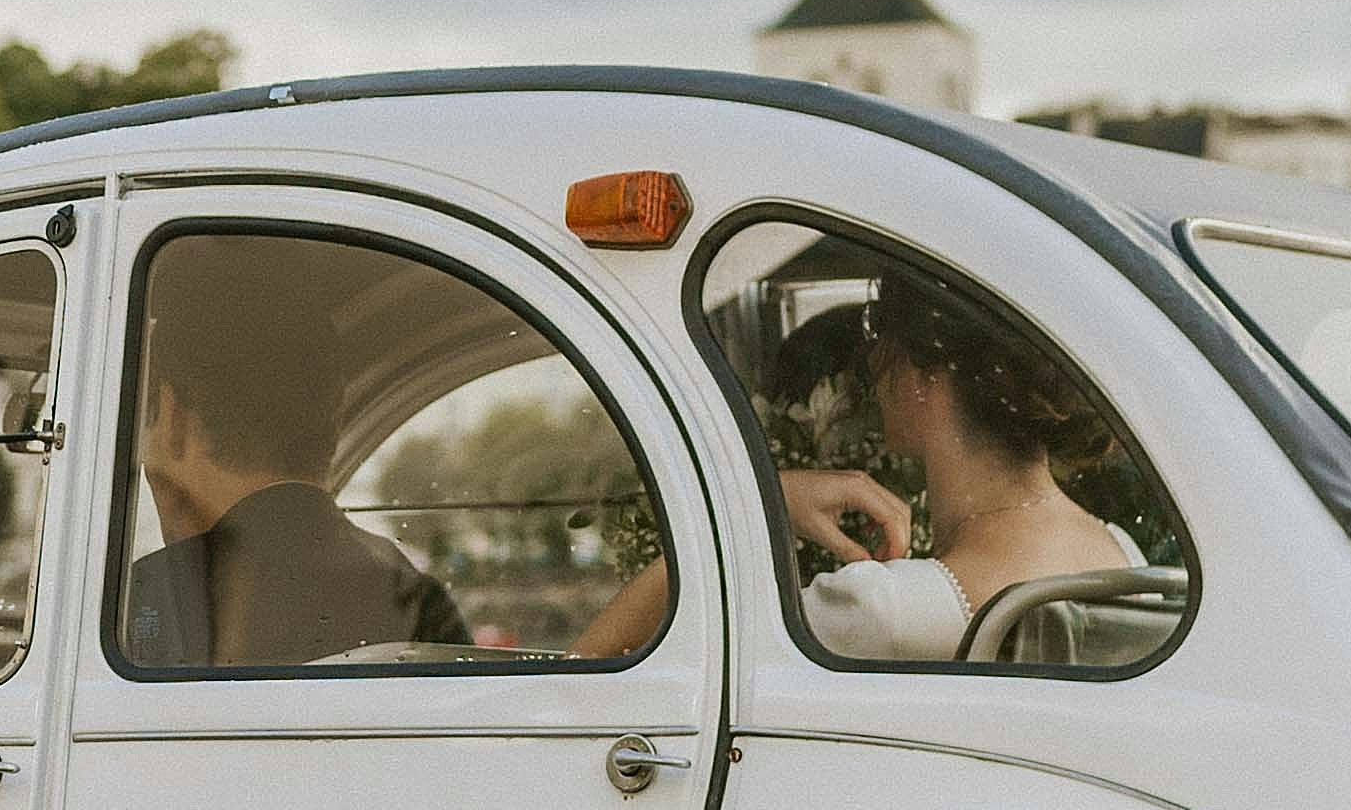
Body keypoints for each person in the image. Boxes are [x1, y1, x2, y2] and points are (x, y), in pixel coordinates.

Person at [577, 251, 1149, 663]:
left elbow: (586, 671)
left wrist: (756, 500)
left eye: (877, 329)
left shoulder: (885, 614)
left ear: (930, 373)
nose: (868, 351)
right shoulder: (1124, 554)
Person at [116, 262, 469, 669]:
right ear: (335, 410)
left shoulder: (141, 613)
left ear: (170, 412)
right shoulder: (418, 601)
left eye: (145, 416)